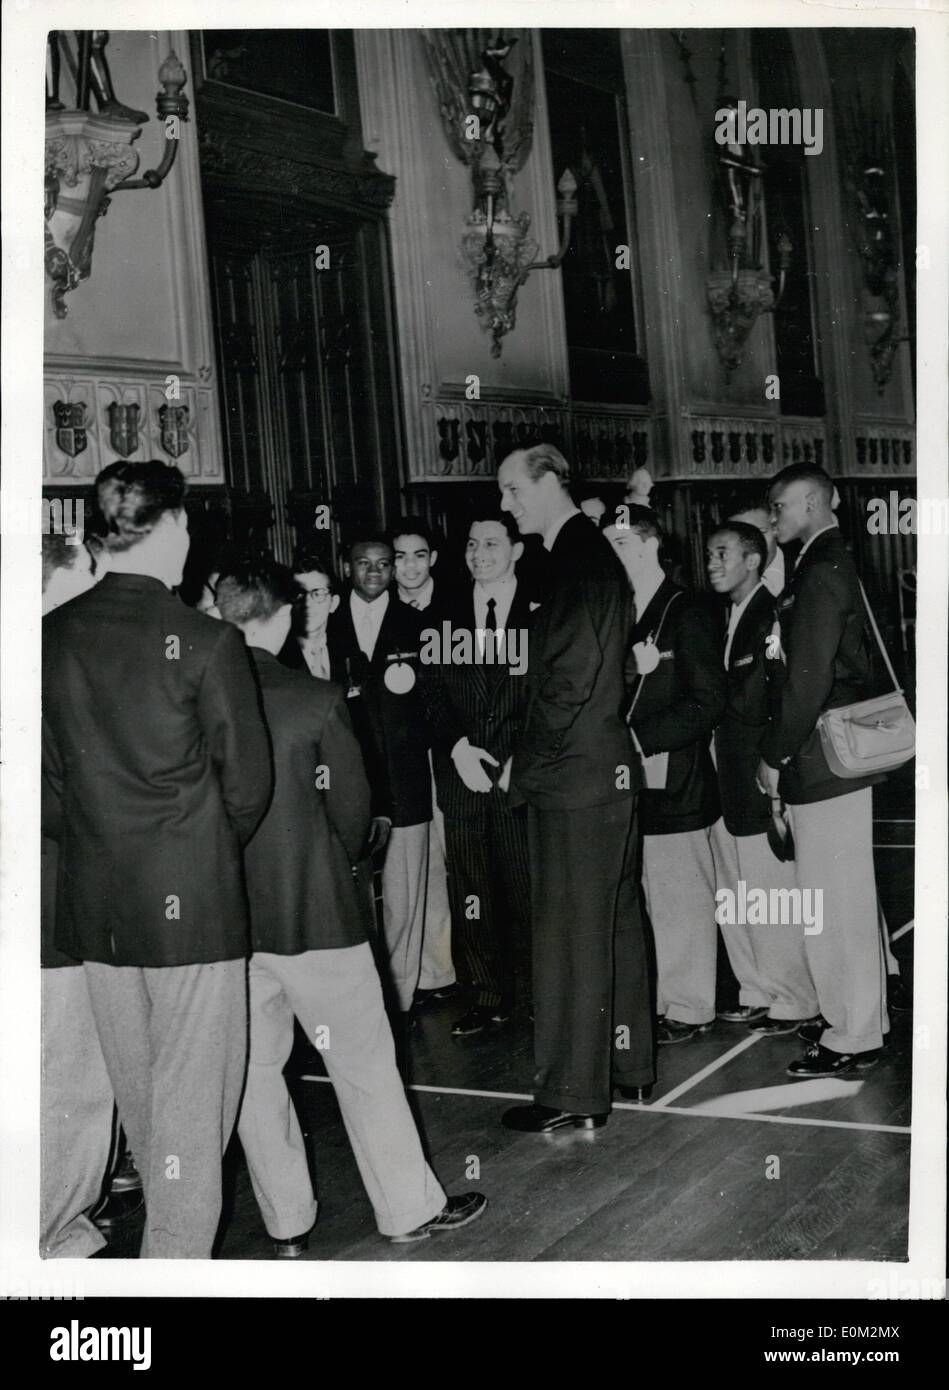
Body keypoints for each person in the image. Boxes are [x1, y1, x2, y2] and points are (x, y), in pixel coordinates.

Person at [214, 562, 486, 1250]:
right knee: (362, 1064)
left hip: (230, 928)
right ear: (284, 617)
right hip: (318, 918)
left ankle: (286, 1221)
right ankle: (406, 1209)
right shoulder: (314, 699)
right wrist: (333, 864)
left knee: (253, 1074)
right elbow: (354, 813)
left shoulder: (189, 700)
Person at [42, 461, 272, 1258]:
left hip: (97, 905)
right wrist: (192, 852)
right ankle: (173, 1266)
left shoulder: (50, 636)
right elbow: (248, 787)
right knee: (193, 1105)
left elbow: (47, 787)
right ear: (171, 526)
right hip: (192, 907)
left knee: (145, 1101)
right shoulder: (209, 640)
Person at [496, 445, 654, 1132]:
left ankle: (571, 1094)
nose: (505, 504)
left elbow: (569, 678)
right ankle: (627, 1067)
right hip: (602, 770)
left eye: (512, 490)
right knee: (613, 923)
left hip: (573, 777)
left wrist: (525, 762)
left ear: (550, 482)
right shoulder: (586, 554)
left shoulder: (575, 559)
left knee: (569, 934)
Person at [758, 463, 890, 1076]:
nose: (773, 519)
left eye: (780, 506)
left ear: (811, 502)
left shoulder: (821, 569)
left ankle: (853, 1034)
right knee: (840, 901)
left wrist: (774, 756)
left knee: (836, 905)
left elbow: (807, 679)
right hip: (829, 761)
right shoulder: (826, 562)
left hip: (823, 759)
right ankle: (856, 1021)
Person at [610, 505, 727, 1044]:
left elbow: (706, 702)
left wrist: (637, 740)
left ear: (651, 545)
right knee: (644, 899)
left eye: (623, 543)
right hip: (623, 783)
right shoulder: (616, 612)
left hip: (674, 780)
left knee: (681, 899)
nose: (615, 554)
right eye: (610, 545)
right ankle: (656, 1001)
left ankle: (689, 1005)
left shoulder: (688, 610)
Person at [420, 511, 532, 1036]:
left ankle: (538, 996)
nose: (479, 554)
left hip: (519, 777)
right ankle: (487, 996)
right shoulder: (442, 613)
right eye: (471, 544)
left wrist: (522, 758)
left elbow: (551, 693)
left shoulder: (541, 610)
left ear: (516, 550)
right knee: (471, 892)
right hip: (463, 777)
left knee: (526, 888)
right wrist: (458, 747)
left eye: (491, 543)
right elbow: (430, 694)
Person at [705, 521, 820, 1033]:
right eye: (710, 555)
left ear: (753, 560)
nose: (713, 564)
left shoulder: (770, 615)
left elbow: (774, 696)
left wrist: (772, 767)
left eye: (723, 554)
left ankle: (795, 997)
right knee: (741, 895)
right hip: (725, 781)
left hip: (757, 777)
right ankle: (759, 989)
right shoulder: (724, 616)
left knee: (770, 894)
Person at [40, 535, 115, 1258]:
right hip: (53, 913)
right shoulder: (54, 668)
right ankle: (58, 1234)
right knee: (71, 1076)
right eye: (87, 573)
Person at [326, 536, 433, 1035]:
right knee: (349, 893)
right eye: (363, 564)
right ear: (347, 567)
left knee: (404, 895)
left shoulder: (419, 625)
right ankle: (357, 1000)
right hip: (346, 778)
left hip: (406, 777)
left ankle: (400, 1001)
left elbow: (434, 701)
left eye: (383, 564)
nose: (374, 572)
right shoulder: (326, 625)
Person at [389, 520, 458, 1008]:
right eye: (399, 557)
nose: (409, 566)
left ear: (432, 558)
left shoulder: (455, 608)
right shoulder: (382, 612)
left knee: (457, 858)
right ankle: (435, 972)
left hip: (452, 750)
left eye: (418, 555)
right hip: (407, 756)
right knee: (420, 865)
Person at [279, 546, 340, 680]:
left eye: (317, 593)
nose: (307, 603)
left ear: (333, 603)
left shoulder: (350, 654)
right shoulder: (277, 658)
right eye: (299, 594)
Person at [729, 499, 785, 597]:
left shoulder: (807, 569)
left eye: (761, 533)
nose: (754, 545)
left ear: (775, 530)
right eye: (741, 537)